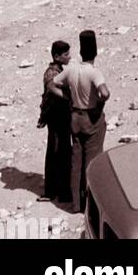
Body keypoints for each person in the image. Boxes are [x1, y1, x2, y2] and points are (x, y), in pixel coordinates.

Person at [49, 29, 110, 214]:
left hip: (75, 116)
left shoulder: (71, 69)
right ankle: (90, 205)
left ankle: (76, 204)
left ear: (81, 52)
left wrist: (67, 98)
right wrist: (99, 103)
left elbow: (52, 84)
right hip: (91, 118)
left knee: (77, 161)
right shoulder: (94, 72)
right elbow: (105, 93)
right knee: (92, 161)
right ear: (95, 52)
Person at [38, 40, 72, 205]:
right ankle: (57, 192)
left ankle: (56, 190)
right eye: (66, 54)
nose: (69, 57)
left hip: (61, 117)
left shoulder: (59, 70)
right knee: (58, 152)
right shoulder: (51, 72)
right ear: (57, 56)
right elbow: (52, 87)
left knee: (60, 152)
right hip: (56, 118)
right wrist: (69, 98)